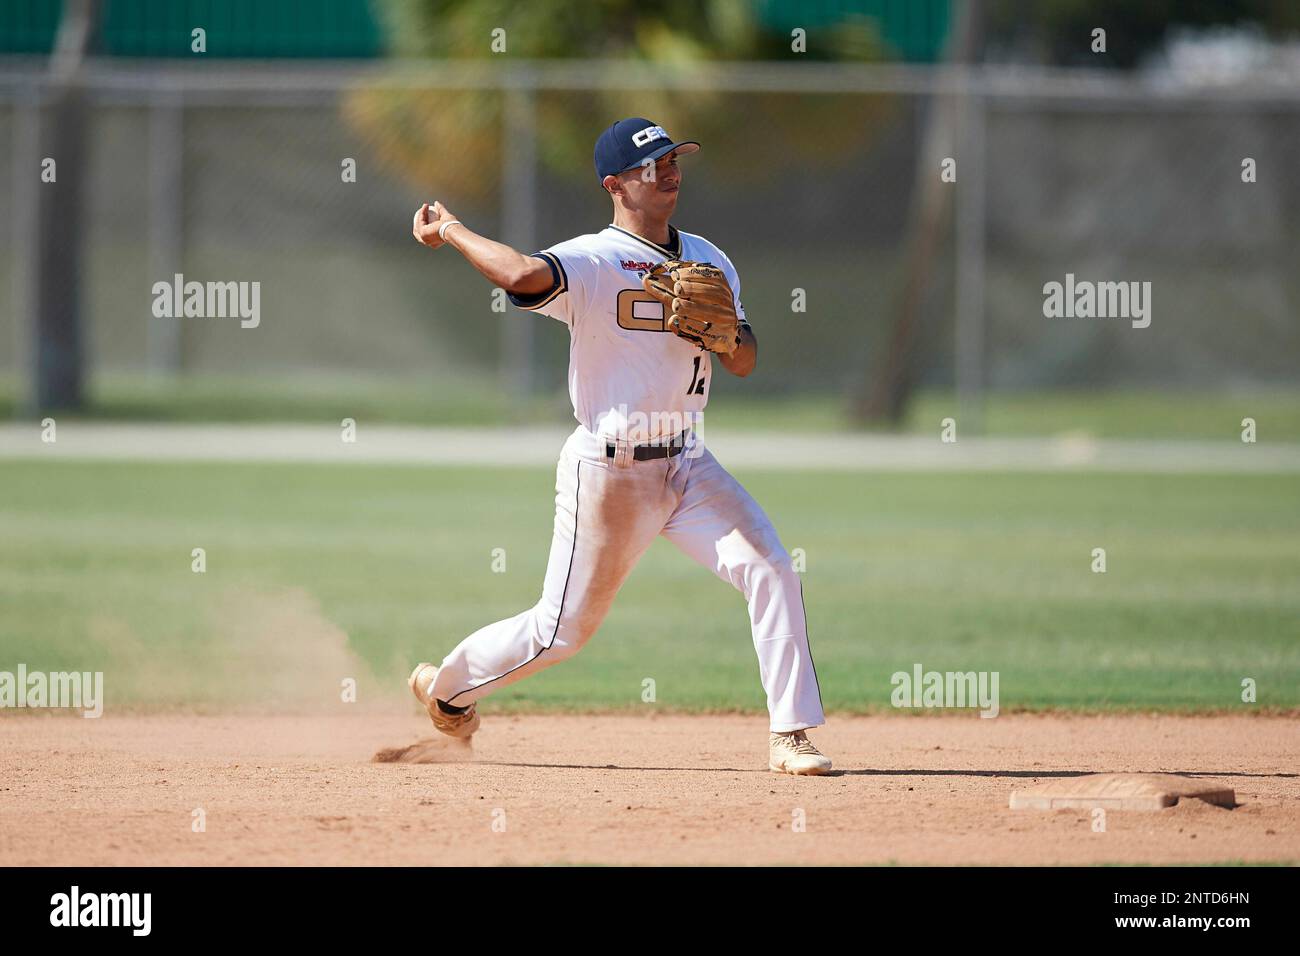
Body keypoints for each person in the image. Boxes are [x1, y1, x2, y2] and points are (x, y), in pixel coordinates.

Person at [408, 117, 830, 774]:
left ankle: (792, 734)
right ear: (614, 184)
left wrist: (725, 336)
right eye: (651, 165)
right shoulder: (592, 260)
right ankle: (446, 693)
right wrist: (453, 229)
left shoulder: (709, 258)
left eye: (673, 161)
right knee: (561, 632)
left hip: (690, 465)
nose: (668, 173)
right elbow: (521, 276)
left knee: (771, 566)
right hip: (609, 473)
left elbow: (745, 359)